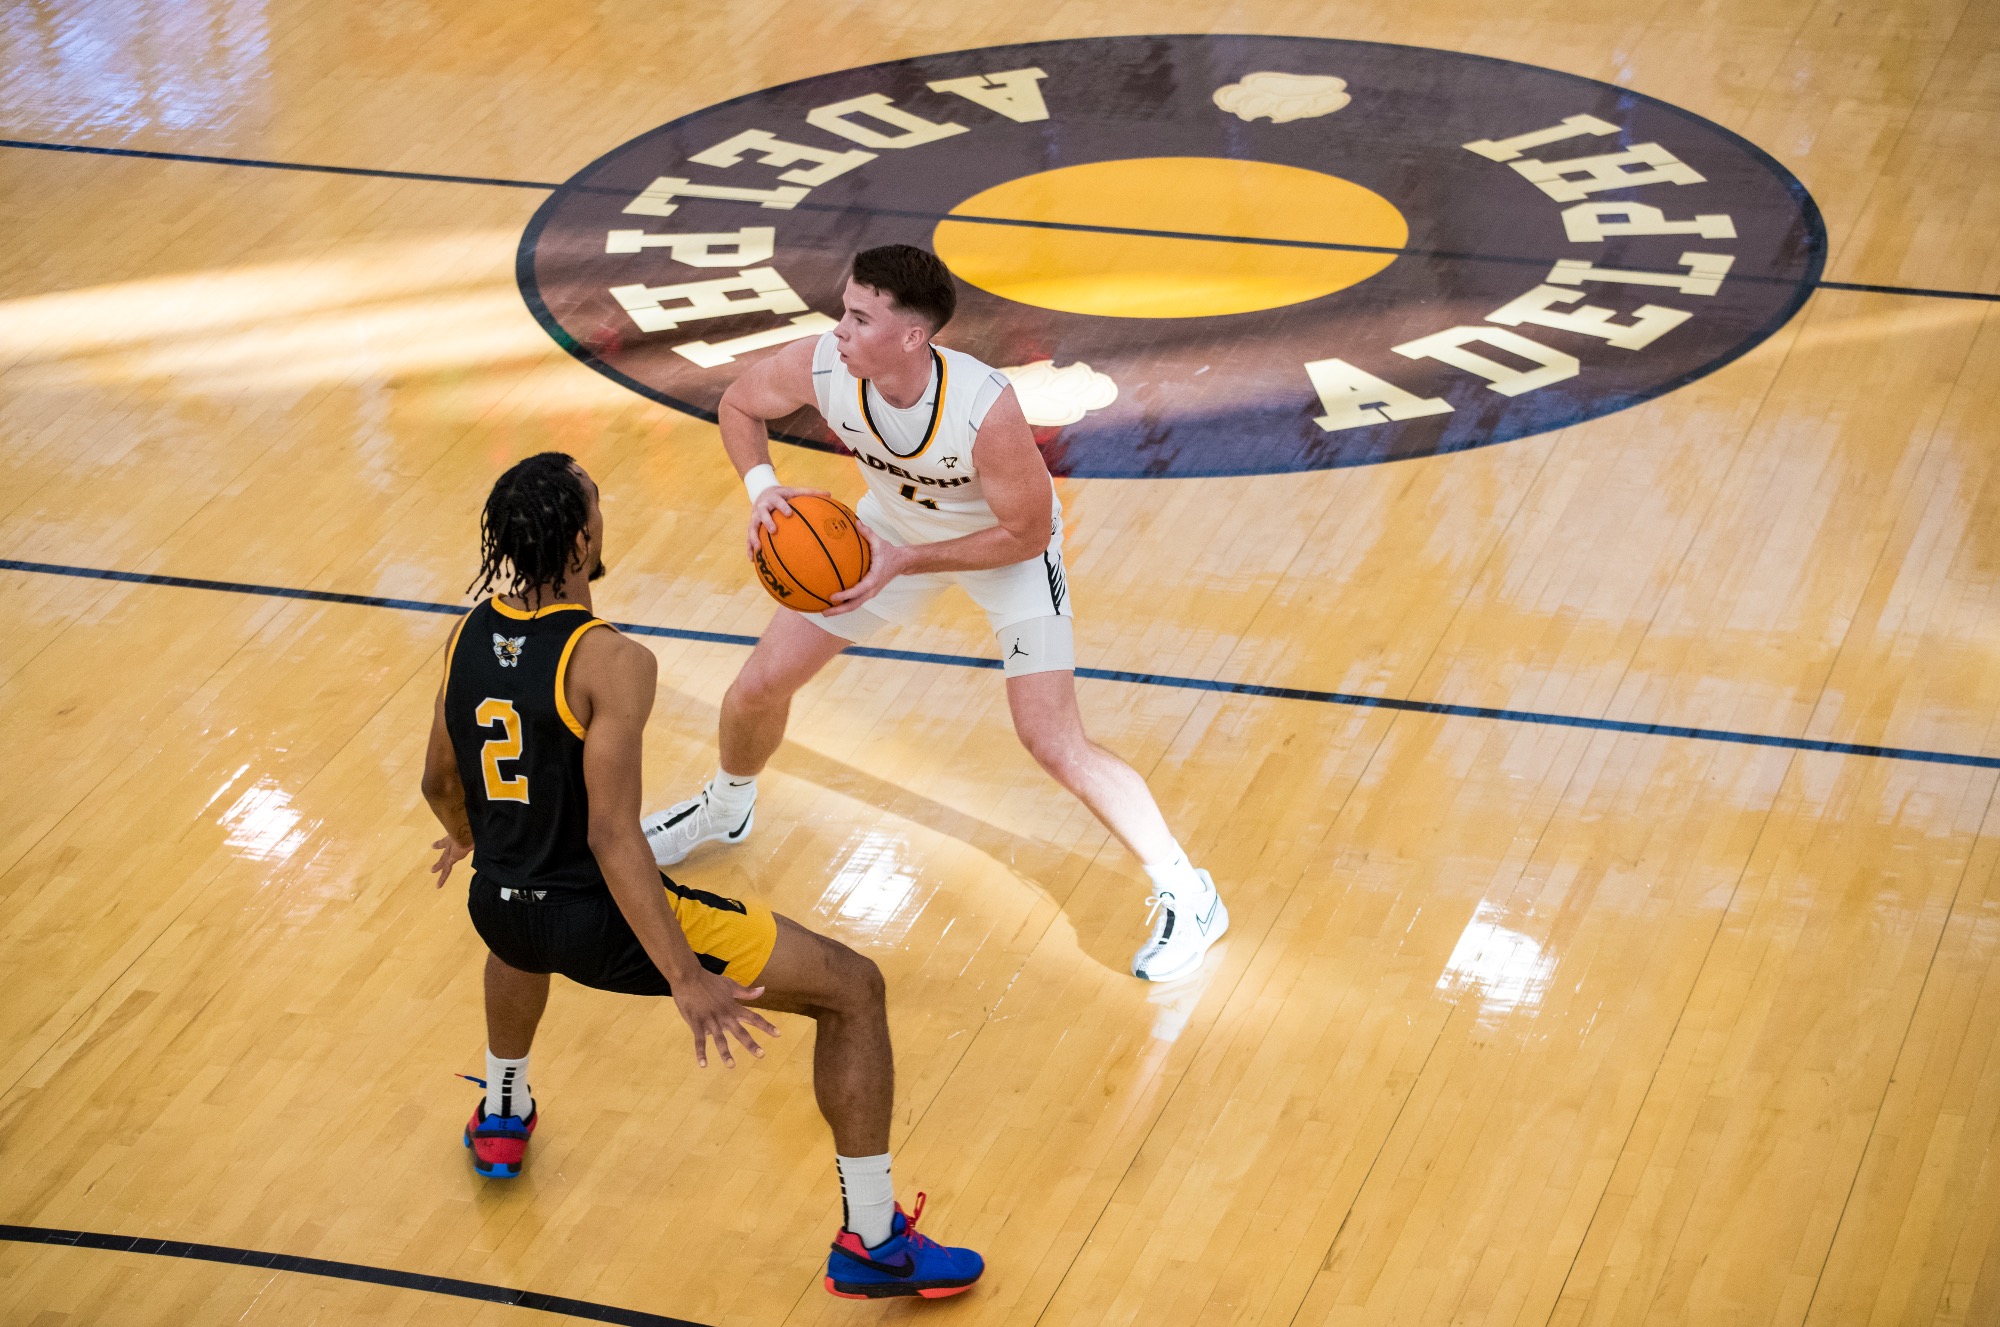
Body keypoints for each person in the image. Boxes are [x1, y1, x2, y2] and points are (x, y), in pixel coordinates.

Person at [418, 452, 982, 1300]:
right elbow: (614, 835)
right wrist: (684, 977)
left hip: (497, 908)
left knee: (520, 923)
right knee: (854, 988)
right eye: (597, 500)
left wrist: (476, 836)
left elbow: (438, 782)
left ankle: (502, 1112)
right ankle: (872, 1239)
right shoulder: (612, 661)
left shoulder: (465, 635)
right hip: (600, 921)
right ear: (581, 538)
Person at [643, 245, 1228, 982]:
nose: (841, 328)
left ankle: (1189, 890)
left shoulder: (982, 410)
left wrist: (908, 562)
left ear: (911, 337)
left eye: (860, 317)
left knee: (1051, 738)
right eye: (845, 311)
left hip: (1003, 556)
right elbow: (738, 403)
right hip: (884, 535)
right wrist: (763, 487)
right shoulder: (824, 365)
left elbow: (1029, 531)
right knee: (758, 685)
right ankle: (726, 806)